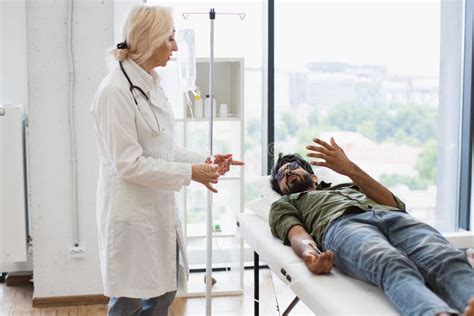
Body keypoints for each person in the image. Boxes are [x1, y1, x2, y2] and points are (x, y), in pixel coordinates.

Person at [90, 5, 243, 316]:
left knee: (165, 292)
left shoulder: (151, 83)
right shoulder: (114, 92)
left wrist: (206, 161)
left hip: (157, 210)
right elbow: (128, 164)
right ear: (150, 40)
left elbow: (163, 147)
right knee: (128, 300)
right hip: (131, 213)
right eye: (170, 39)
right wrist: (192, 172)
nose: (175, 46)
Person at [269, 137, 474, 316]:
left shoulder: (350, 185)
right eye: (280, 175)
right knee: (389, 261)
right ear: (281, 190)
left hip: (395, 218)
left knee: (445, 257)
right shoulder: (285, 204)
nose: (286, 172)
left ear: (313, 176)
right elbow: (296, 232)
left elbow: (395, 205)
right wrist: (309, 253)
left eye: (292, 166)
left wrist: (349, 168)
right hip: (342, 226)